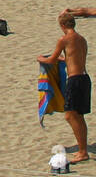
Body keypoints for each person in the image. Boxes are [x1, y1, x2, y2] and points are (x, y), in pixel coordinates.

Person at [38, 13, 91, 162]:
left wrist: (40, 59)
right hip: (85, 78)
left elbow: (51, 60)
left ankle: (83, 152)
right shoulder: (82, 39)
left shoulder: (64, 39)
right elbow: (75, 58)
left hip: (74, 80)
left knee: (70, 115)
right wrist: (64, 59)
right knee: (78, 115)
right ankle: (83, 149)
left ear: (62, 26)